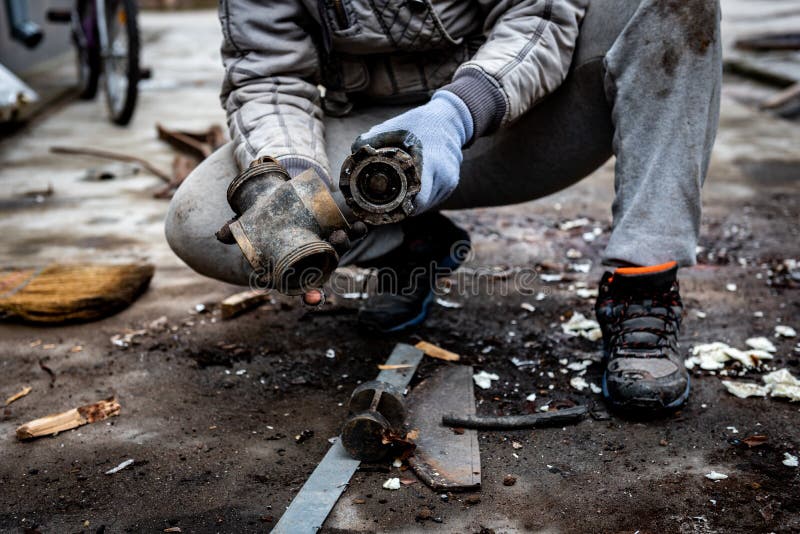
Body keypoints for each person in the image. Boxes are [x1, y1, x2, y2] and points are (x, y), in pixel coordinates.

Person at [166, 0, 721, 413]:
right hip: (372, 156)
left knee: (675, 5)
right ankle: (412, 246)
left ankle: (643, 285)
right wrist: (293, 183)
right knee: (204, 221)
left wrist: (455, 114)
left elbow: (540, 16)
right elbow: (268, 78)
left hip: (516, 117)